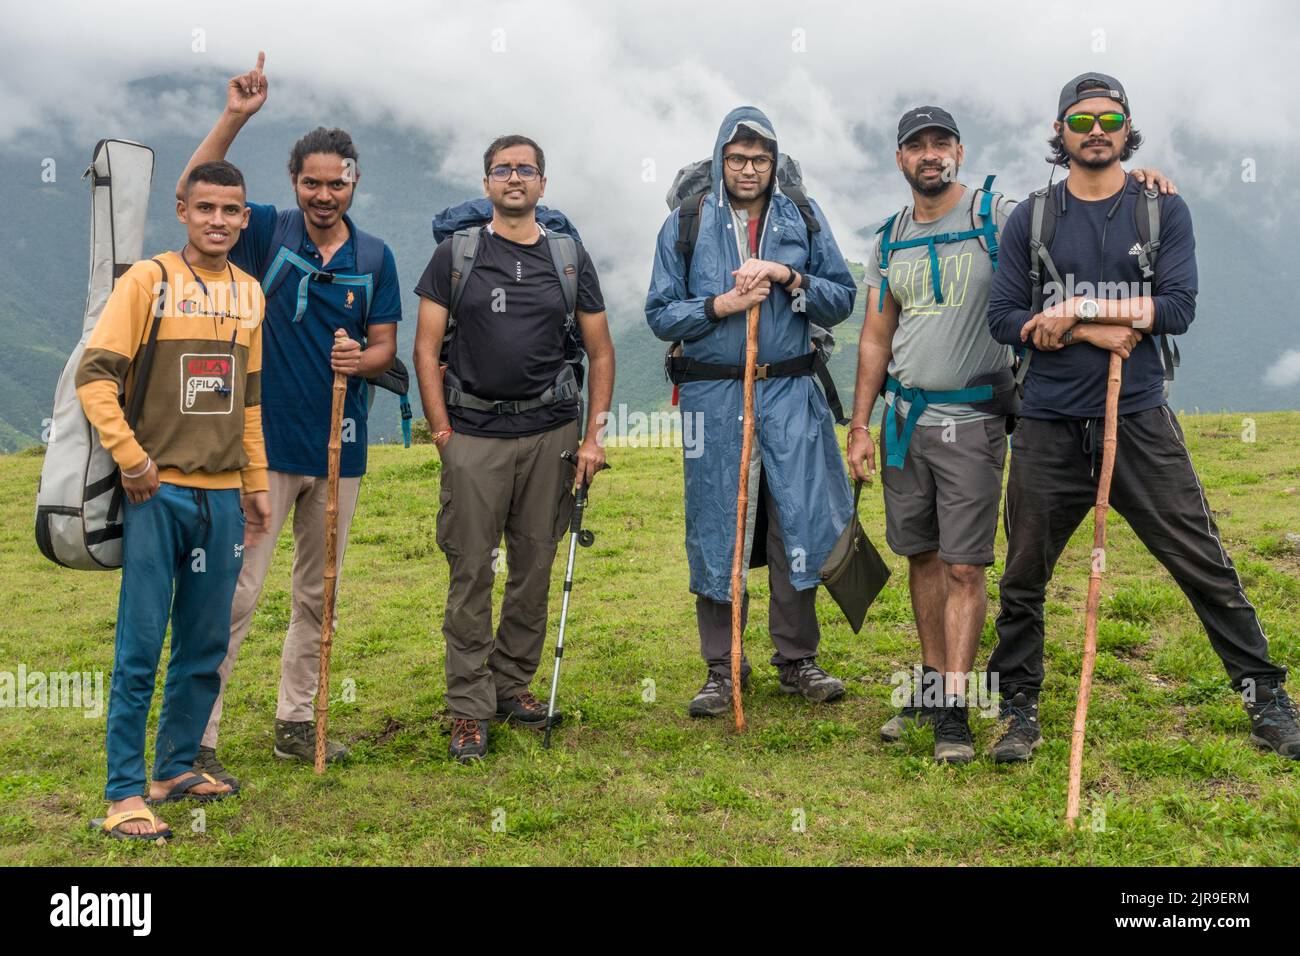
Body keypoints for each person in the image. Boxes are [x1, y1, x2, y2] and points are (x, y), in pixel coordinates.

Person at [985, 71, 1300, 762]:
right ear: (1060, 132)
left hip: (1137, 417)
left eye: (1110, 119)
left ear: (1128, 128)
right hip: (1047, 422)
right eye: (1081, 121)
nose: (1096, 132)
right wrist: (1089, 330)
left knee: (1201, 561)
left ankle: (1267, 699)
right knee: (1023, 575)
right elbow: (1004, 318)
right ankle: (1017, 711)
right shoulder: (1031, 218)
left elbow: (1179, 308)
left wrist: (1080, 308)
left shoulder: (1161, 210)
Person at [848, 107, 1176, 763]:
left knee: (965, 565)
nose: (931, 154)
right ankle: (935, 686)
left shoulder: (998, 216)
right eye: (918, 146)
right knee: (922, 556)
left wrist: (1135, 179)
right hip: (903, 421)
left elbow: (1073, 212)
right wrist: (860, 424)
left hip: (973, 418)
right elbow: (876, 337)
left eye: (942, 143)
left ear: (961, 152)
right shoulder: (889, 238)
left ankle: (955, 710)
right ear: (901, 159)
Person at [176, 52, 402, 782]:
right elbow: (193, 191)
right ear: (294, 182)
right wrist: (235, 116)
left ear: (354, 183)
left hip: (341, 450)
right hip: (262, 449)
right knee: (236, 592)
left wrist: (360, 360)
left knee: (318, 592)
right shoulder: (265, 231)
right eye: (312, 183)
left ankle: (296, 723)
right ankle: (198, 737)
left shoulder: (375, 256)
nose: (324, 195)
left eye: (337, 184)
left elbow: (386, 346)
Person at [78, 159, 269, 840]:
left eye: (230, 210)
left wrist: (255, 482)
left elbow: (248, 398)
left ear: (245, 218)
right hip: (157, 491)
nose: (218, 220)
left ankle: (175, 768)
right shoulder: (148, 281)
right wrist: (131, 459)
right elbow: (96, 378)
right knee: (140, 644)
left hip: (222, 495)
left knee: (206, 641)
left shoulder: (250, 292)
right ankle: (125, 794)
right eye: (205, 207)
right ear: (183, 210)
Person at [646, 106, 857, 718]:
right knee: (718, 525)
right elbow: (660, 313)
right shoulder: (686, 223)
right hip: (714, 400)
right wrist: (720, 305)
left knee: (797, 522)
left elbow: (841, 298)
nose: (748, 169)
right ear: (720, 159)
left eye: (760, 159)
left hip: (790, 395)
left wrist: (790, 275)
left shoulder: (802, 217)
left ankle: (797, 659)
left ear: (774, 163)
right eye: (737, 158)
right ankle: (722, 667)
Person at [412, 134, 615, 763]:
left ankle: (511, 684)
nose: (515, 178)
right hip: (473, 433)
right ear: (487, 184)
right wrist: (442, 434)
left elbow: (601, 351)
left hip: (552, 432)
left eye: (526, 169)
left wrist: (593, 436)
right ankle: (468, 707)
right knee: (471, 570)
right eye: (502, 170)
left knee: (534, 565)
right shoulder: (456, 255)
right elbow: (425, 349)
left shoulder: (568, 257)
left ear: (543, 185)